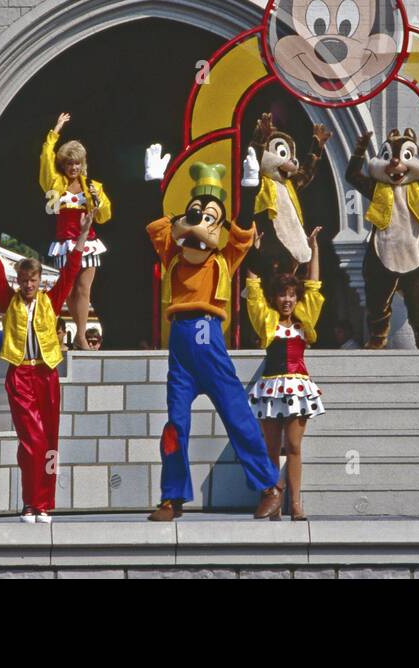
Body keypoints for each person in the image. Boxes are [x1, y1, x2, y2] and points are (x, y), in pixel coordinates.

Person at [144, 149, 282, 521]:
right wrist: (153, 185)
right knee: (175, 424)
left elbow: (241, 235)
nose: (199, 223)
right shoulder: (173, 254)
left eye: (209, 218)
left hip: (209, 340)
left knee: (238, 416)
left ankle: (271, 487)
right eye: (195, 216)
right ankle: (172, 497)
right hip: (181, 347)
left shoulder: (223, 259)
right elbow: (159, 227)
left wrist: (250, 188)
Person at [0, 197, 88, 523]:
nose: (27, 285)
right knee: (32, 440)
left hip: (47, 373)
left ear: (39, 281)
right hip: (20, 374)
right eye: (23, 281)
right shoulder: (9, 301)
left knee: (49, 441)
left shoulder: (51, 301)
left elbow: (71, 269)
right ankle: (29, 502)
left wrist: (83, 234)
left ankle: (44, 504)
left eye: (32, 281)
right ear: (18, 281)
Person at [246, 227, 325, 520]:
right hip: (270, 387)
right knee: (270, 448)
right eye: (282, 295)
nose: (288, 300)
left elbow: (314, 286)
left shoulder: (305, 320)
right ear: (275, 298)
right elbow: (252, 290)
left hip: (298, 386)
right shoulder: (266, 321)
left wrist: (313, 248)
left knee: (293, 446)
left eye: (292, 295)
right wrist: (254, 249)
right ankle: (273, 500)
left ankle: (295, 504)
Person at [40, 112, 112, 351]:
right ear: (64, 164)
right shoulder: (54, 183)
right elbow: (45, 157)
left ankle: (81, 336)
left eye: (77, 163)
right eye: (69, 163)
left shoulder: (94, 186)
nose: (73, 167)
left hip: (87, 241)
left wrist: (96, 201)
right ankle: (69, 330)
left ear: (83, 164)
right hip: (64, 242)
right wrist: (56, 130)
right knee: (68, 289)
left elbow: (105, 216)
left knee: (84, 289)